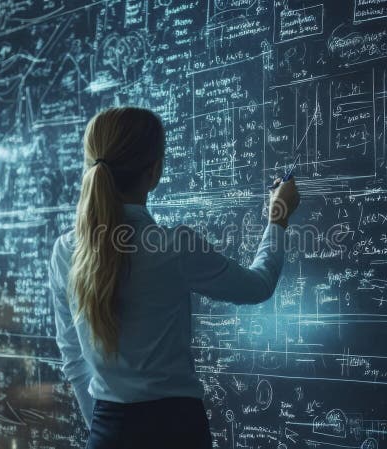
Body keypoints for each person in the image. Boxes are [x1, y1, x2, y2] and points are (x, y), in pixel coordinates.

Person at [49, 107, 300, 449]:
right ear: (154, 172)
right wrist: (278, 216)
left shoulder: (65, 251)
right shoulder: (174, 248)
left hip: (107, 430)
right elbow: (259, 285)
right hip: (177, 431)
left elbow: (74, 360)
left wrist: (105, 429)